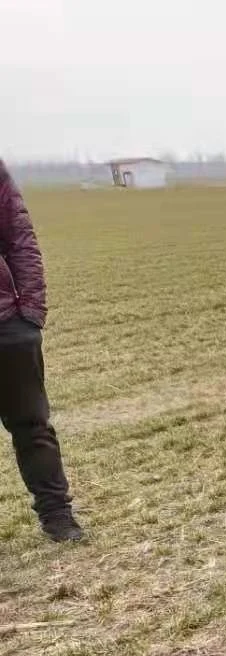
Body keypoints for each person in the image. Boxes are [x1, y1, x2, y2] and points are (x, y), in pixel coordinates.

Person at [0, 158, 82, 543]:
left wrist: (29, 313)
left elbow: (19, 236)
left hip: (6, 325)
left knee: (32, 426)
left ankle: (58, 517)